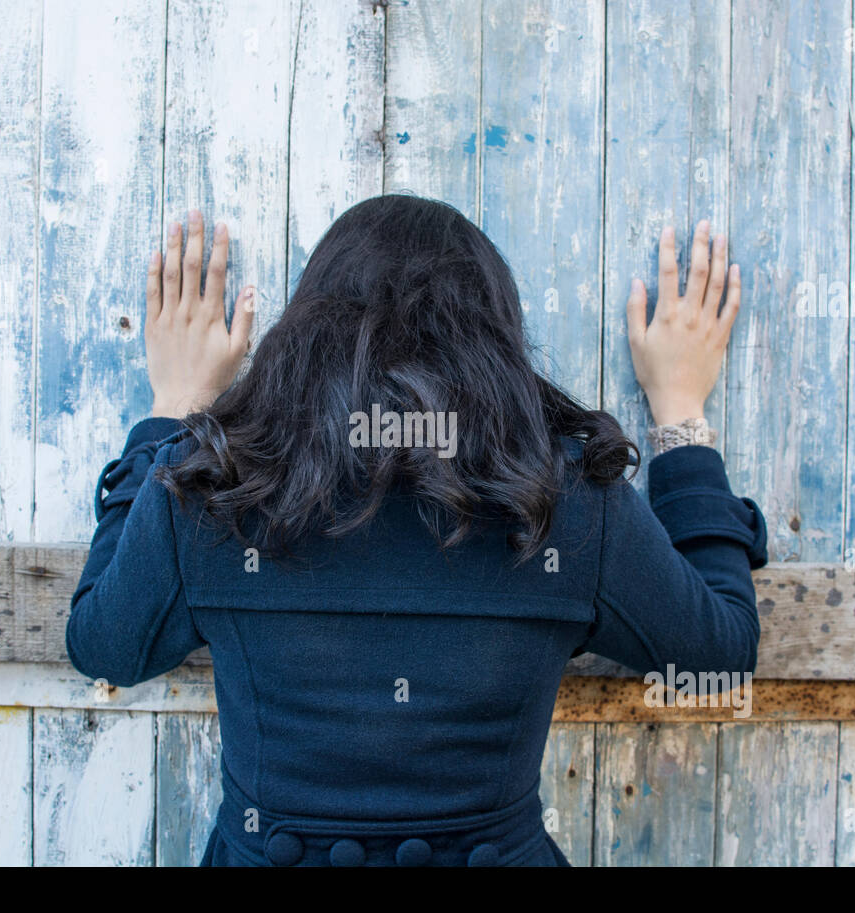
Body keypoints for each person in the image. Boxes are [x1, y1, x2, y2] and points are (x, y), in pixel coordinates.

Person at [66, 195, 767, 866]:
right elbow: (717, 657)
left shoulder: (215, 489)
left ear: (306, 328)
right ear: (498, 340)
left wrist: (174, 414)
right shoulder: (571, 501)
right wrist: (680, 412)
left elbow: (107, 646)